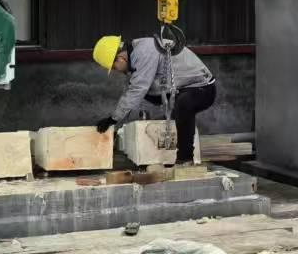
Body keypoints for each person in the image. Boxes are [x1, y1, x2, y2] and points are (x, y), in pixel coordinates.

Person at [92, 34, 217, 164]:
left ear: (120, 58)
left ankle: (185, 159)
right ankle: (170, 121)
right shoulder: (135, 56)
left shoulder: (144, 53)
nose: (116, 71)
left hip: (202, 88)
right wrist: (116, 126)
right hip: (180, 88)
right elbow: (130, 94)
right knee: (139, 93)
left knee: (183, 104)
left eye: (113, 67)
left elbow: (138, 89)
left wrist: (113, 119)